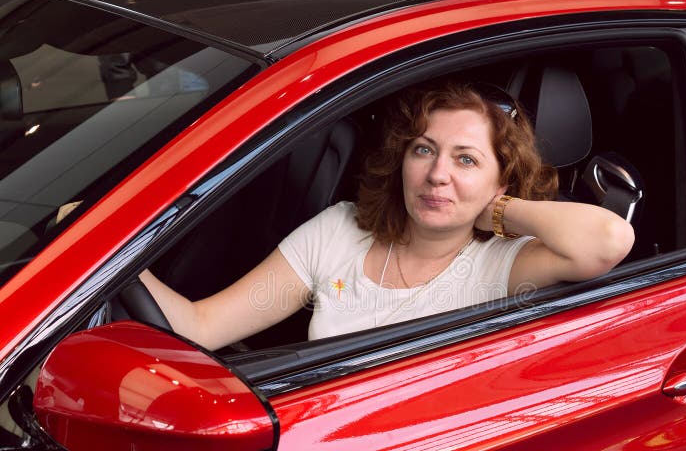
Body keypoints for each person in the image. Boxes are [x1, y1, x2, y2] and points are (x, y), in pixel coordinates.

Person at [140, 80, 634, 350]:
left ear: (500, 182)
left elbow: (608, 240)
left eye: (466, 160)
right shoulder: (340, 230)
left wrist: (498, 212)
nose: (437, 174)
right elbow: (200, 327)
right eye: (424, 150)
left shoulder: (502, 264)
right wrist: (118, 256)